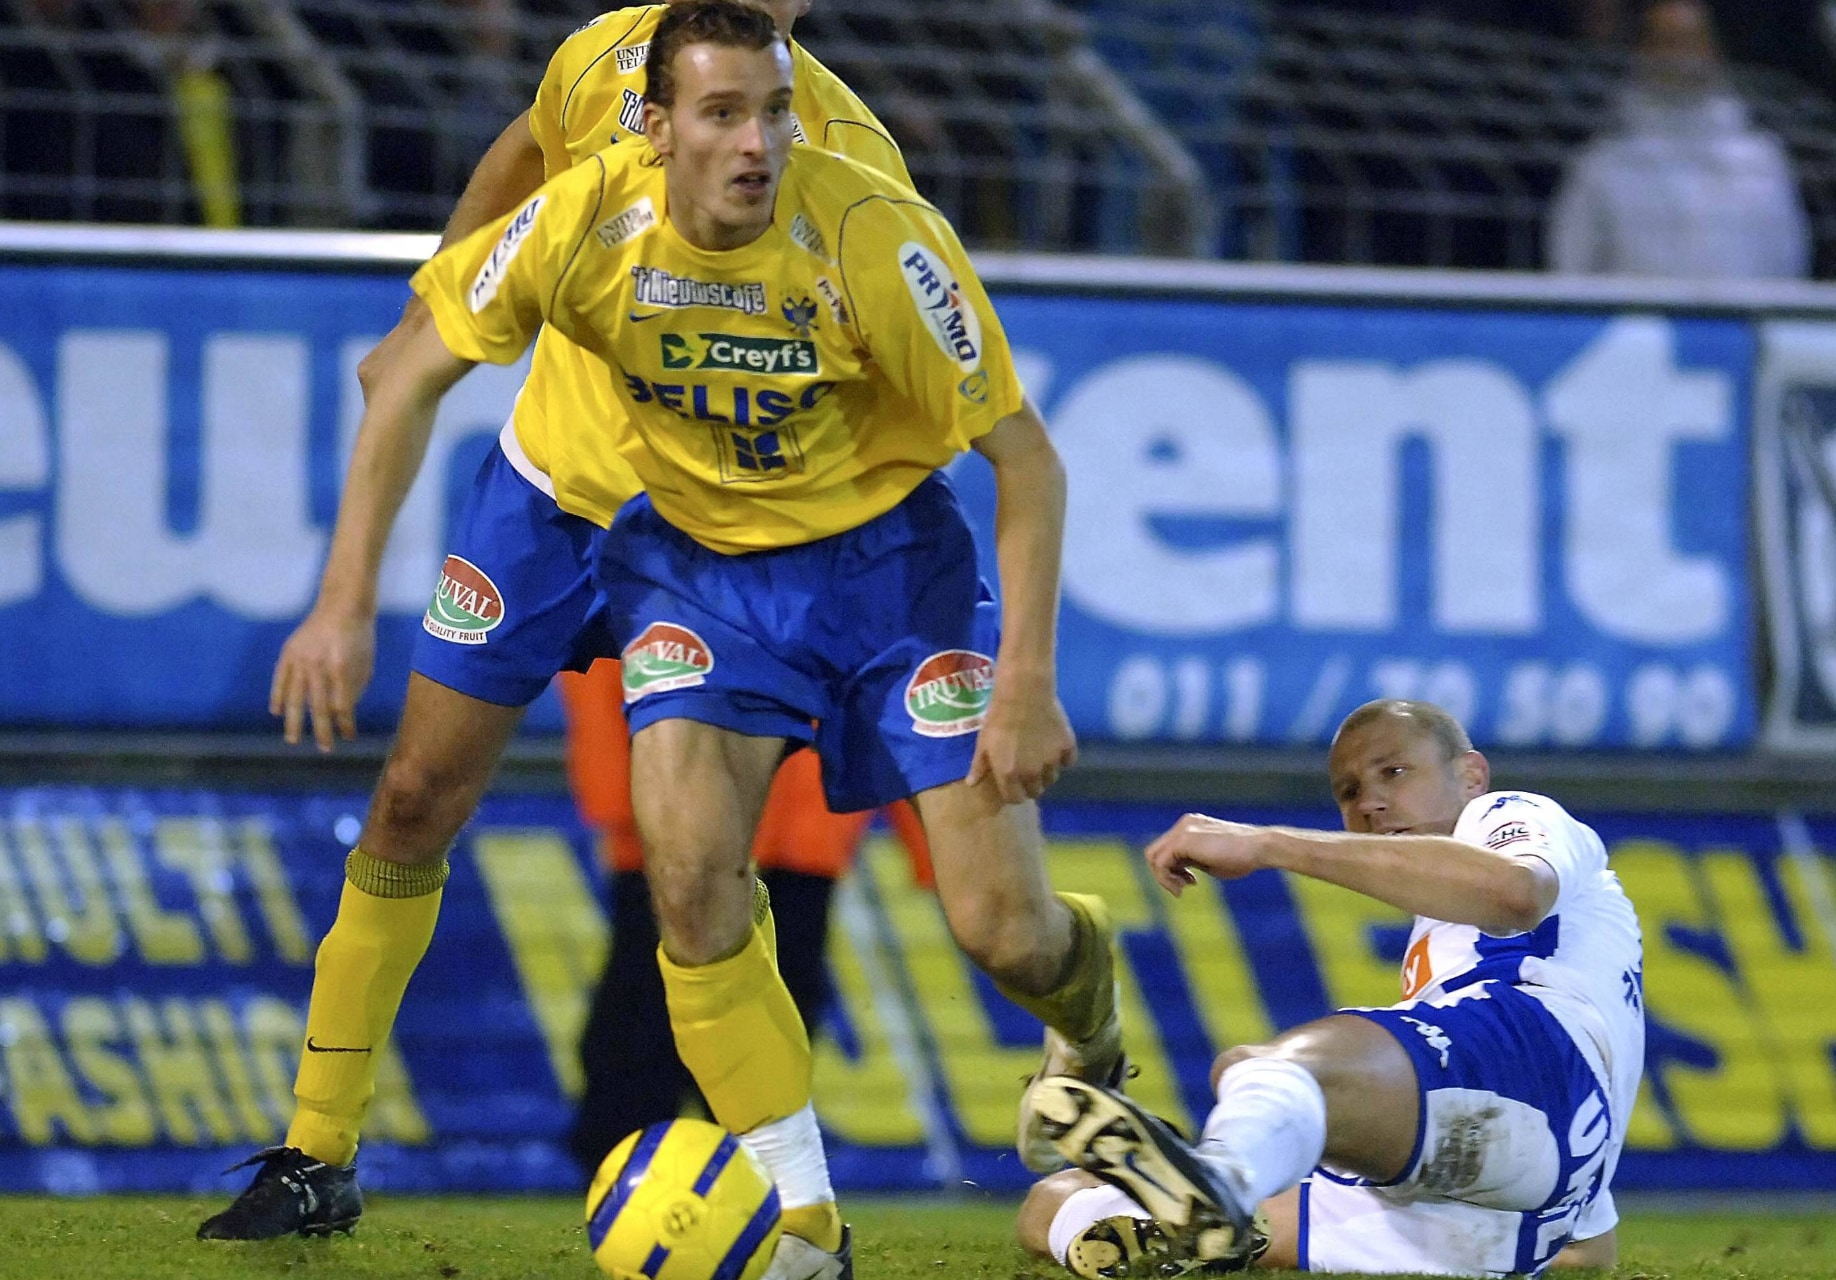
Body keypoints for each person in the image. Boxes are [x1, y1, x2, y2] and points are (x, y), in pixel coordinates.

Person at [204, 6, 1124, 1277]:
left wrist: (1025, 674)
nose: (756, 140)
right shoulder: (596, 123)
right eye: (724, 116)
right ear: (658, 122)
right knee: (629, 859)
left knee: (1003, 930)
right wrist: (345, 578)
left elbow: (1024, 457)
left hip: (873, 564)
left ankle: (1087, 1004)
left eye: (771, 111)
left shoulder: (863, 208)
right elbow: (481, 237)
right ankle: (800, 1223)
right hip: (655, 537)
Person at [1018, 699, 1642, 1278]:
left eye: (1393, 772)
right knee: (1055, 1204)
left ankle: (1219, 1183)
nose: (1370, 803)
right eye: (1350, 793)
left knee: (1266, 1072)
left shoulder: (1512, 814)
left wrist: (1266, 843)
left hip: (1538, 1064)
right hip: (1510, 1216)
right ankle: (1210, 1197)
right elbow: (1591, 1251)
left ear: (1471, 776)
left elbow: (1514, 893)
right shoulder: (1441, 951)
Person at [557, 658, 934, 1177]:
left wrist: (937, 849)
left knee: (771, 1015)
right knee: (642, 1026)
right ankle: (625, 1176)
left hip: (795, 840)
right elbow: (604, 661)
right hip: (683, 838)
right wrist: (624, 806)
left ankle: (744, 1185)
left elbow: (890, 690)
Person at [1546, 0, 1809, 278]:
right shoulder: (1604, 164)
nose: (1681, 57)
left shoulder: (1762, 161)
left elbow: (1788, 263)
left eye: (1691, 41)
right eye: (1667, 42)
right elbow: (1571, 268)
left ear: (1714, 50)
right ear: (1642, 53)